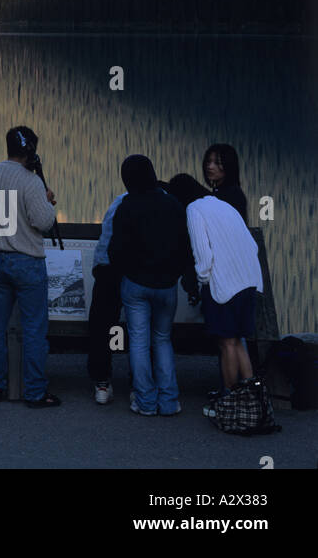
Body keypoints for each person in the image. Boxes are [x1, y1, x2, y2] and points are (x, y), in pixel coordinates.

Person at [0, 125, 61, 407]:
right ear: (31, 150)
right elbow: (44, 222)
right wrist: (47, 203)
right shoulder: (30, 181)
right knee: (34, 328)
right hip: (28, 262)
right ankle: (35, 392)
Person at [167, 172, 263, 417]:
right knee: (239, 341)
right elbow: (252, 246)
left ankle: (228, 400)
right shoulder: (225, 207)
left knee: (226, 344)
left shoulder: (194, 210)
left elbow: (202, 253)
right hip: (249, 281)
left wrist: (203, 281)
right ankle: (252, 400)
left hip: (224, 286)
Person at [107, 156, 193, 417]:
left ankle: (145, 401)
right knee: (163, 340)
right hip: (167, 285)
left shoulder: (127, 205)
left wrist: (126, 270)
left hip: (136, 284)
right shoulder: (173, 204)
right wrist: (176, 274)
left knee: (139, 342)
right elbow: (185, 247)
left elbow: (115, 250)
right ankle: (168, 401)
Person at [87, 177, 130, 405]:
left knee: (102, 325)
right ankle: (141, 386)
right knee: (143, 330)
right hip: (139, 274)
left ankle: (102, 383)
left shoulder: (120, 201)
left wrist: (100, 268)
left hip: (108, 270)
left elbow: (106, 239)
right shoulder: (164, 202)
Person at [202, 144, 249, 223]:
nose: (210, 167)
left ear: (228, 165)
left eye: (217, 163)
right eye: (208, 161)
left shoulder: (233, 194)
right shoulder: (219, 191)